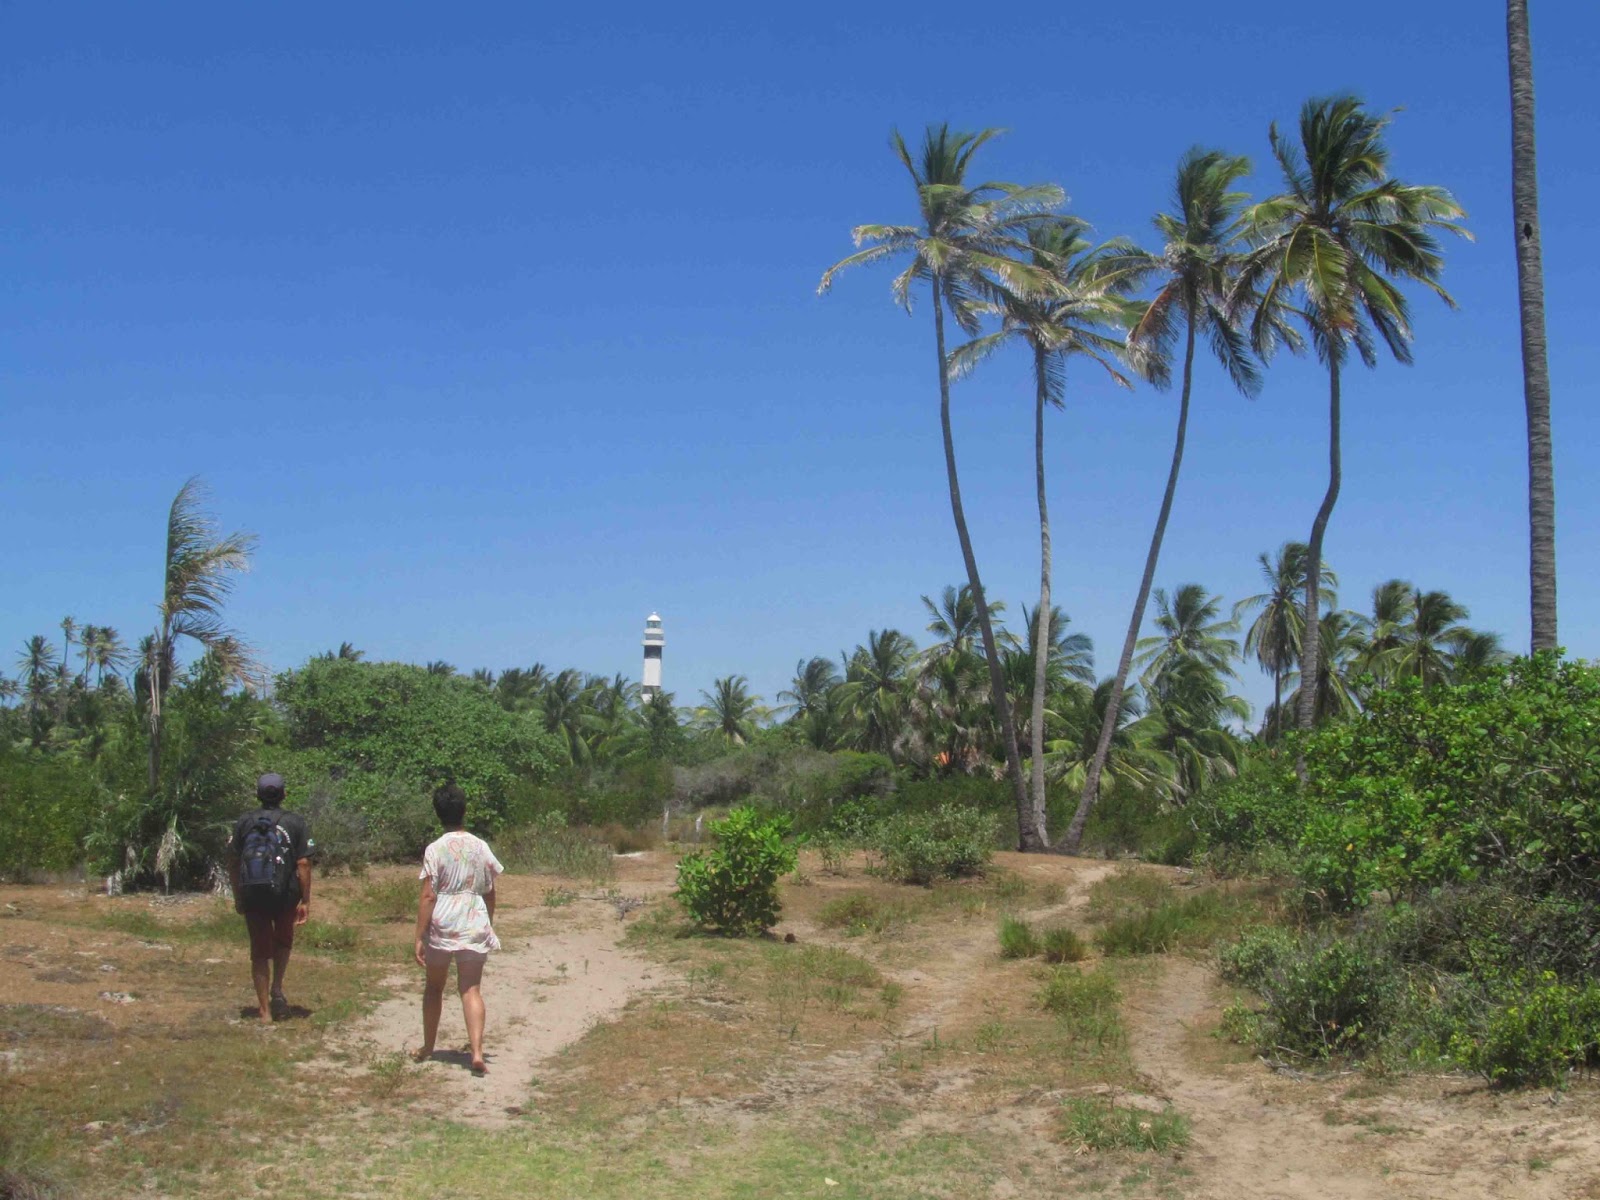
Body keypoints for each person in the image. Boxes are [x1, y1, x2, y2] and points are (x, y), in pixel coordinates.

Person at [413, 783, 503, 1075]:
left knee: (434, 987)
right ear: (464, 810)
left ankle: (428, 1047)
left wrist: (419, 934)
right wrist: (487, 921)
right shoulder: (480, 846)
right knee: (471, 988)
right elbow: (490, 890)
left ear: (438, 813)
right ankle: (476, 1052)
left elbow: (429, 895)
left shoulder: (435, 848)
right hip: (473, 917)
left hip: (443, 921)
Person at [227, 772, 314, 1022]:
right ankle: (277, 988)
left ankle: (264, 1011)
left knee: (259, 952)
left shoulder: (244, 822)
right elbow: (304, 863)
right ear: (284, 794)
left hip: (253, 894)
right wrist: (305, 900)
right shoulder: (295, 822)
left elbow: (233, 861)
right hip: (285, 895)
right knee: (283, 942)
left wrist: (238, 895)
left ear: (258, 795)